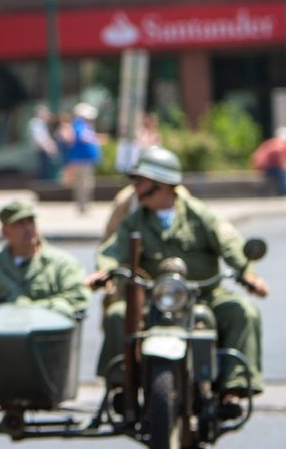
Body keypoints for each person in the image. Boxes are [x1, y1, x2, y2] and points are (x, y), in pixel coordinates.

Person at [84, 146, 268, 400]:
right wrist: (103, 272)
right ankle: (121, 385)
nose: (135, 186)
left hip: (203, 293)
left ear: (162, 183)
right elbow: (114, 249)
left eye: (141, 180)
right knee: (117, 315)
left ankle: (233, 388)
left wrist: (247, 275)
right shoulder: (135, 220)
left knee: (243, 311)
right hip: (155, 297)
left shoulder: (198, 214)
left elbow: (229, 243)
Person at [0, 200, 88, 324]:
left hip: (47, 341)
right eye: (19, 224)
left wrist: (23, 310)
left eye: (31, 222)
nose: (28, 228)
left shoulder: (63, 264)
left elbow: (76, 297)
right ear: (4, 232)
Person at [62, 102, 102, 214]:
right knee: (83, 184)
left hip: (85, 159)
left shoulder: (83, 125)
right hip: (81, 160)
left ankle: (84, 204)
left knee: (85, 183)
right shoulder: (79, 124)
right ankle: (83, 205)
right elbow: (81, 137)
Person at [251, 126, 286, 196]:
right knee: (285, 176)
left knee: (284, 174)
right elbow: (281, 162)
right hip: (267, 168)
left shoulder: (271, 142)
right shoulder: (281, 145)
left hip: (262, 167)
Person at [27, 104, 59, 181]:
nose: (48, 115)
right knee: (44, 171)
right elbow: (39, 139)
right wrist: (48, 148)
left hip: (44, 150)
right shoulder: (36, 123)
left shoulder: (41, 123)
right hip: (42, 150)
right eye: (46, 113)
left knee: (46, 170)